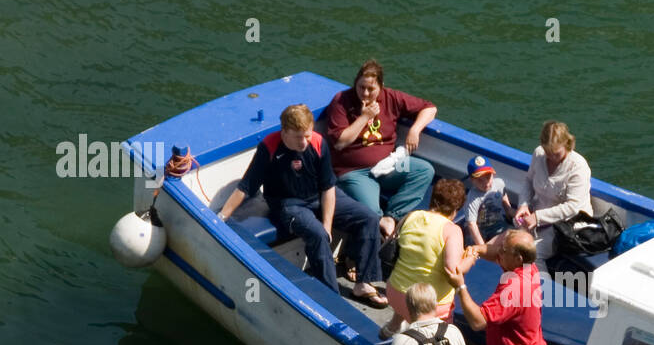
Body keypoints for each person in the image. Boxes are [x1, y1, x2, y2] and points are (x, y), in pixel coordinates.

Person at [219, 103, 386, 305]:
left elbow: (328, 187)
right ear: (285, 132)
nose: (305, 141)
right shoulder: (269, 147)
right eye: (298, 136)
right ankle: (330, 298)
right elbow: (246, 186)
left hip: (318, 195)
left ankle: (364, 282)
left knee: (368, 217)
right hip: (288, 203)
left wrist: (327, 223)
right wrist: (222, 217)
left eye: (307, 135)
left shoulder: (317, 143)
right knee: (317, 235)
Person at [322, 59, 438, 234]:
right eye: (361, 87)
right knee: (371, 214)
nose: (366, 93)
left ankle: (394, 215)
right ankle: (382, 224)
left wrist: (415, 129)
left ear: (381, 86)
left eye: (371, 89)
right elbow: (340, 143)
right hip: (354, 172)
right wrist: (364, 117)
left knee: (424, 170)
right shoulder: (342, 101)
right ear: (355, 84)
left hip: (388, 165)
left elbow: (430, 108)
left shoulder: (391, 97)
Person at [447, 229, 547, 345]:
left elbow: (478, 322)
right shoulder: (529, 267)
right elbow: (497, 254)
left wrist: (460, 287)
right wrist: (477, 250)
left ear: (518, 258)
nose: (499, 252)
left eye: (504, 250)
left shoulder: (514, 288)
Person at [381, 177, 467, 339]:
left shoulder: (410, 216)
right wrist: (471, 257)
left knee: (411, 276)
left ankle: (393, 327)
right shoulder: (452, 230)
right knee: (444, 334)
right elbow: (453, 272)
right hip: (428, 307)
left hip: (395, 293)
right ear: (456, 208)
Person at [512, 120, 592, 264]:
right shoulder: (539, 154)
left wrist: (538, 217)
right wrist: (523, 204)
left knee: (531, 256)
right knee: (512, 245)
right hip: (537, 218)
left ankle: (542, 285)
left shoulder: (578, 167)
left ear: (567, 145)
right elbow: (529, 181)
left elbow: (573, 207)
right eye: (548, 152)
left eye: (556, 153)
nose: (552, 158)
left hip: (567, 225)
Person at [455, 155, 514, 248]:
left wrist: (510, 212)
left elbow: (504, 198)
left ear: (493, 174)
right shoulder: (472, 199)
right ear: (472, 180)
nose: (486, 183)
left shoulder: (499, 183)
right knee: (470, 246)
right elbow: (472, 224)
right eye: (480, 180)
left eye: (488, 177)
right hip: (479, 228)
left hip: (496, 223)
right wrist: (482, 247)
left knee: (512, 237)